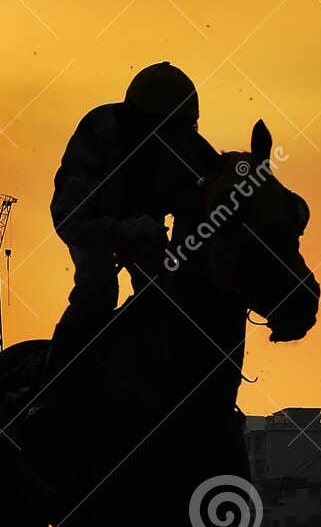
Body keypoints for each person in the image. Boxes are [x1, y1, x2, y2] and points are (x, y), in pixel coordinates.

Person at [49, 62, 218, 355]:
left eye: (181, 132)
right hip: (91, 225)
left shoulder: (186, 142)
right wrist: (129, 229)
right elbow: (70, 221)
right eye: (165, 133)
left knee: (170, 292)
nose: (174, 144)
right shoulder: (98, 133)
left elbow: (217, 185)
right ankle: (51, 386)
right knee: (97, 291)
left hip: (146, 231)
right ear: (140, 124)